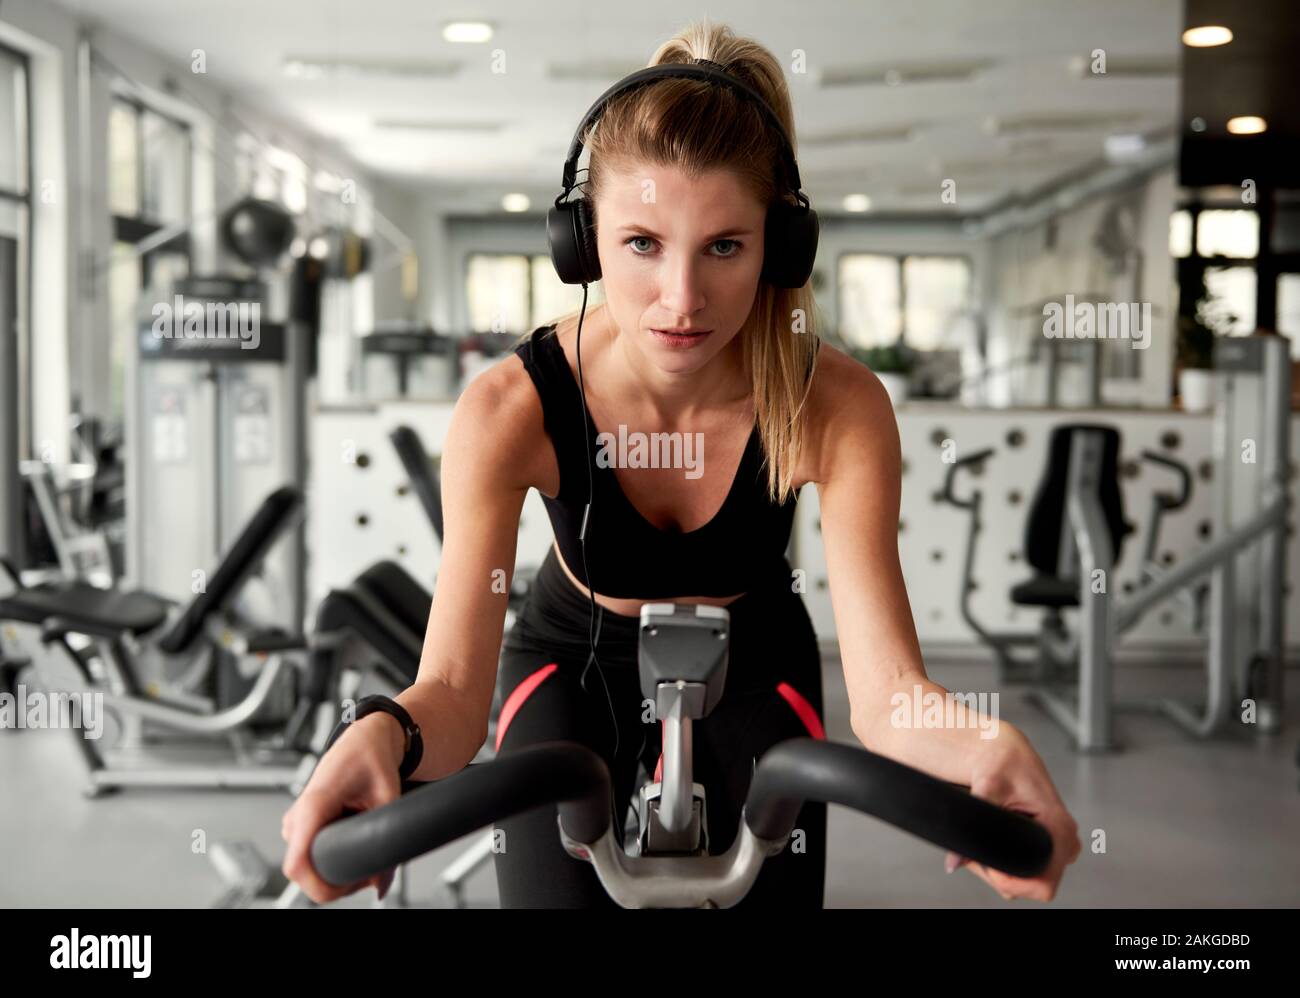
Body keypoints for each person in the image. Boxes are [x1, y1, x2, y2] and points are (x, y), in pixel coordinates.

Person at [281, 19, 1081, 909]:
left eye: (725, 247)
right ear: (583, 243)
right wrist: (380, 730)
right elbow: (455, 695)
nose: (682, 301)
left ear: (779, 246)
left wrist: (984, 747)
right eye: (642, 244)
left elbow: (892, 698)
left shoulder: (837, 406)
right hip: (570, 660)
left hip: (758, 656)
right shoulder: (510, 410)